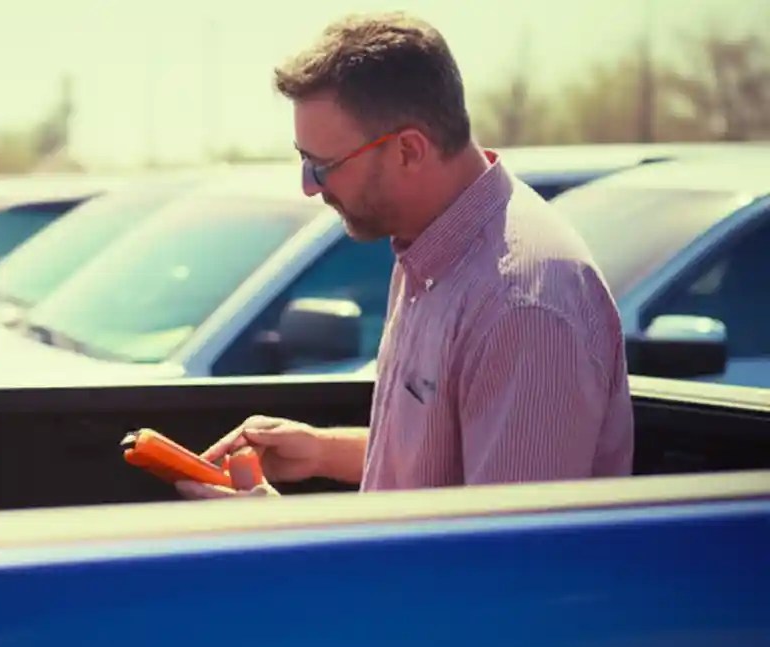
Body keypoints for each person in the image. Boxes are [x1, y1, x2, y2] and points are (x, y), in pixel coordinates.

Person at [179, 11, 634, 499]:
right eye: (303, 158)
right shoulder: (431, 247)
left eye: (323, 165)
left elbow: (507, 562)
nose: (309, 186)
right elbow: (447, 461)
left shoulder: (523, 307)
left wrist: (280, 534)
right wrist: (321, 451)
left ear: (408, 151)